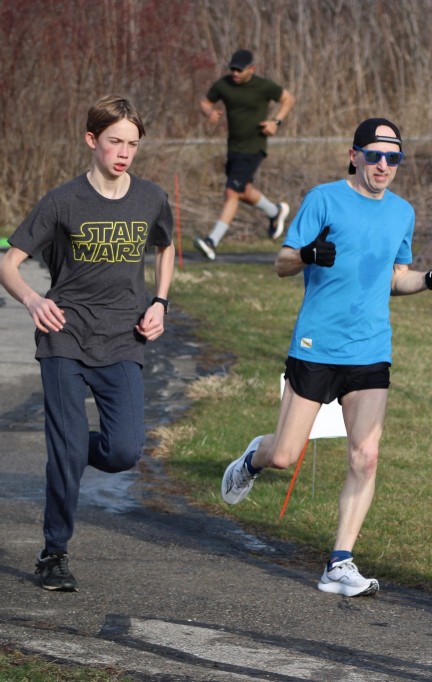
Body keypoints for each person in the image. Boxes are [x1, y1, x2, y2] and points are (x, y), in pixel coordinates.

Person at [219, 117, 432, 597]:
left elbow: (396, 278)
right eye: (375, 156)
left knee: (365, 457)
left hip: (370, 349)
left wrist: (430, 279)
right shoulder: (324, 199)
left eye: (394, 158)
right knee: (286, 456)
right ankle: (253, 458)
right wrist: (309, 254)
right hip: (316, 346)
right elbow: (282, 264)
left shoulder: (402, 213)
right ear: (355, 156)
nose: (384, 166)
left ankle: (340, 562)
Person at [0, 95, 175, 591]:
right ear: (92, 140)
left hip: (123, 337)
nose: (124, 153)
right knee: (69, 443)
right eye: (115, 141)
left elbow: (165, 247)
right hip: (64, 336)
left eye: (133, 144)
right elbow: (7, 262)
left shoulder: (151, 198)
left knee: (123, 450)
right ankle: (54, 552)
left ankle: (70, 451)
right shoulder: (63, 201)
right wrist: (34, 302)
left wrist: (159, 302)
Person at [194, 49, 295, 260]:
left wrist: (275, 122)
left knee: (232, 192)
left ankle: (211, 241)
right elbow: (205, 102)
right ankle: (274, 212)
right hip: (233, 148)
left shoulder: (263, 86)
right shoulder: (224, 85)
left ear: (252, 69)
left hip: (254, 147)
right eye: (232, 69)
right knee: (243, 190)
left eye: (239, 70)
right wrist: (210, 113)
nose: (235, 73)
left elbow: (287, 99)